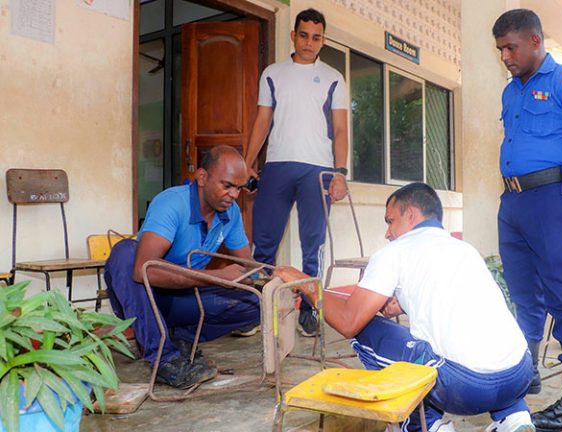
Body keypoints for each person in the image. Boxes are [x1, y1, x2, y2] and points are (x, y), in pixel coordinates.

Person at [275, 183, 535, 432]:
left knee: (368, 329)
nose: (388, 233)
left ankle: (427, 425)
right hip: (520, 373)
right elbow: (451, 301)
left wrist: (307, 283)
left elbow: (348, 320)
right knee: (488, 344)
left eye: (390, 221)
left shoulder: (395, 252)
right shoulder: (464, 249)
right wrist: (404, 304)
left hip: (465, 388)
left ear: (411, 214)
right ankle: (514, 418)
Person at [492, 9, 562, 431]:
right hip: (514, 201)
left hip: (550, 199)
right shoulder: (511, 91)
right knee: (524, 292)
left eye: (511, 47)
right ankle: (528, 374)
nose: (505, 55)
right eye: (501, 48)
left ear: (536, 41)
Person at [105, 146, 261, 389]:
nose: (234, 195)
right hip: (144, 298)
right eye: (227, 185)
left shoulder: (231, 213)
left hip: (183, 297)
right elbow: (143, 271)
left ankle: (181, 338)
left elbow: (249, 266)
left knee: (256, 303)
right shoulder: (172, 203)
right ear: (202, 178)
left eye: (239, 188)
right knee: (125, 253)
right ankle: (164, 360)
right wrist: (219, 276)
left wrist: (275, 279)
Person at [244, 8, 349, 337]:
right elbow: (262, 120)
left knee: (312, 245)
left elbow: (341, 129)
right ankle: (254, 311)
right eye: (303, 35)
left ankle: (309, 310)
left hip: (318, 170)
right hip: (276, 166)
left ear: (323, 40)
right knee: (263, 241)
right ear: (293, 35)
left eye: (316, 37)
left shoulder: (334, 78)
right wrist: (248, 162)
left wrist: (340, 172)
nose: (309, 42)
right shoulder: (273, 73)